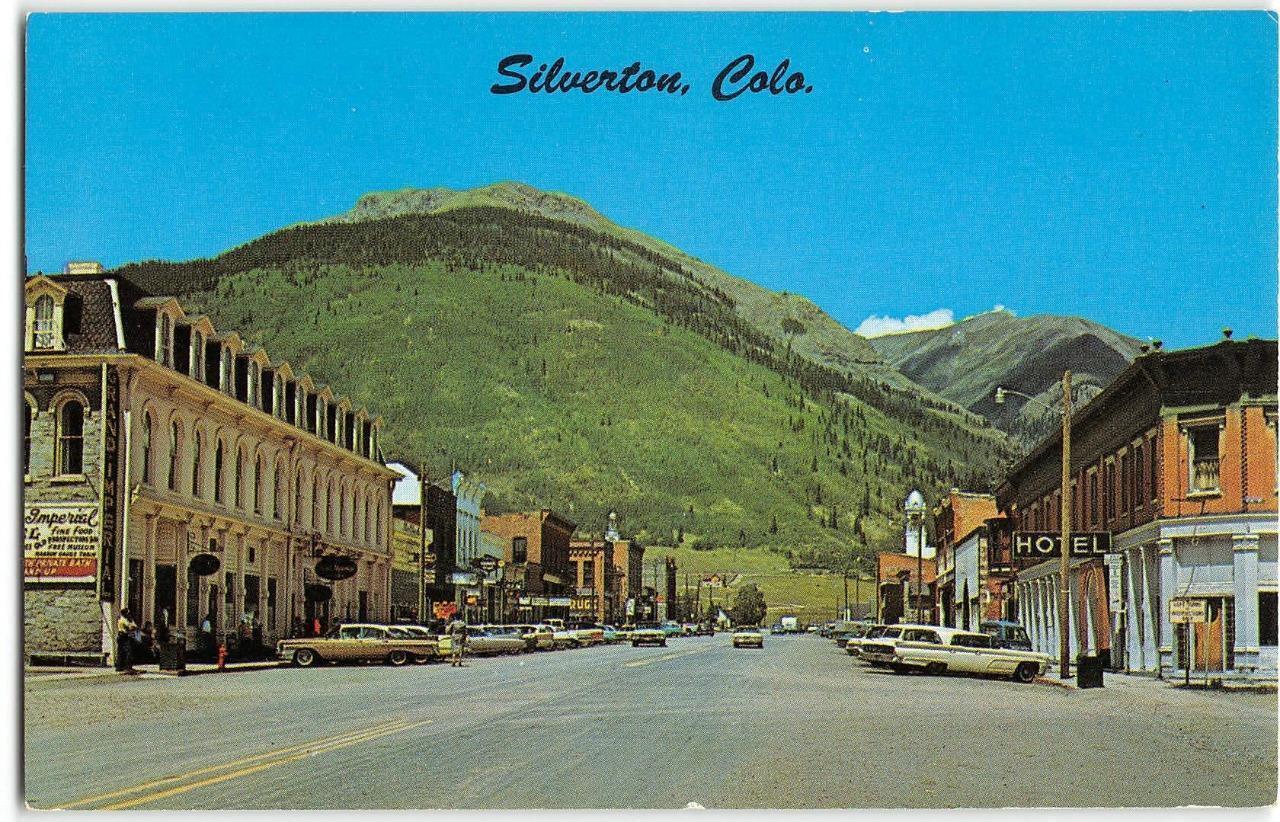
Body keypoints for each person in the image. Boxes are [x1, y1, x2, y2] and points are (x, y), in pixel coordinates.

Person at [115, 608, 138, 672]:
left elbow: (134, 626)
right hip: (123, 637)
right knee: (128, 652)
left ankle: (120, 667)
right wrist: (132, 623)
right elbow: (131, 627)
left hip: (124, 636)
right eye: (128, 613)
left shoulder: (126, 619)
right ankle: (127, 667)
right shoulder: (123, 620)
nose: (129, 614)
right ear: (125, 613)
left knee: (121, 652)